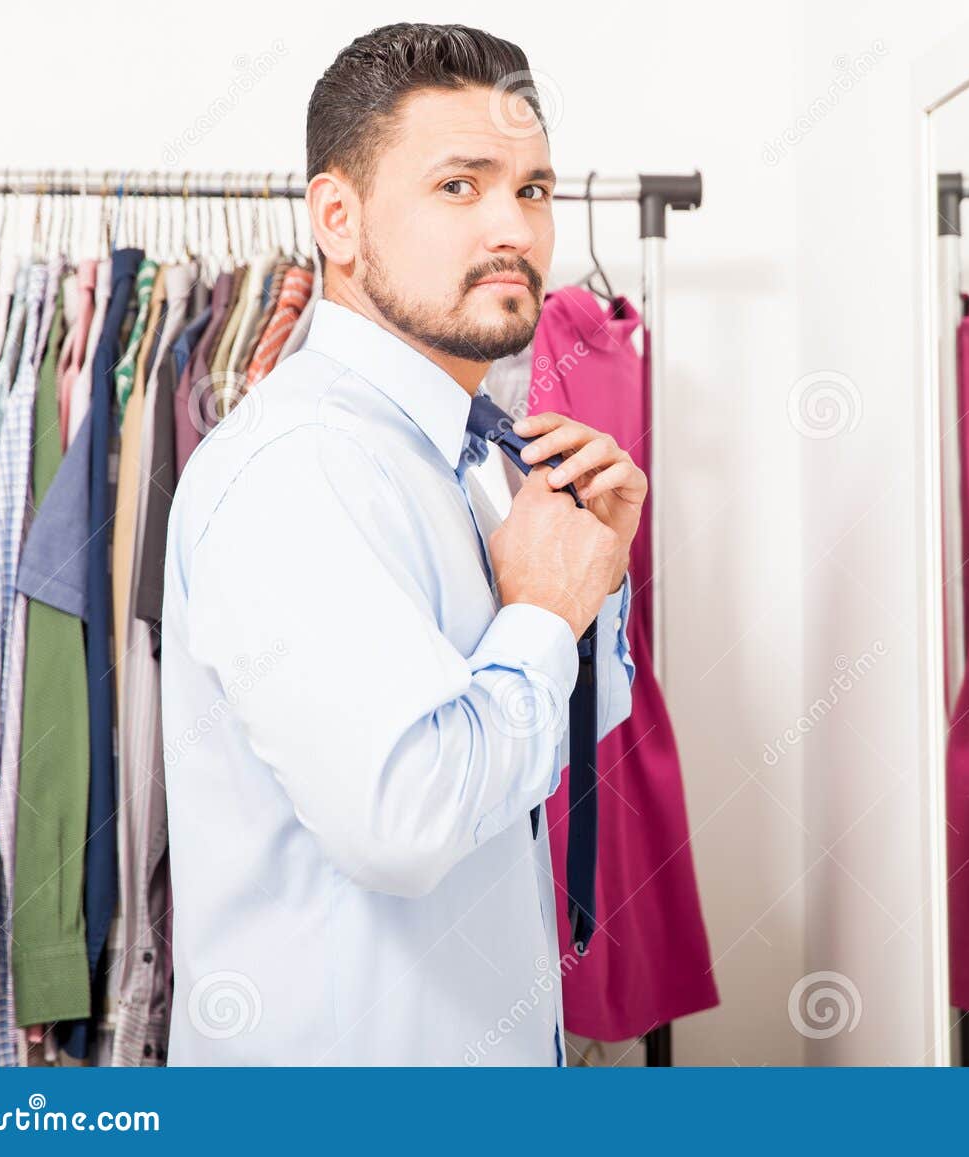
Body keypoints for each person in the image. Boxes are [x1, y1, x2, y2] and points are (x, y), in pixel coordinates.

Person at [160, 22, 643, 1065]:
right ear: (337, 217)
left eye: (534, 189)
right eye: (460, 187)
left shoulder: (477, 457)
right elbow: (407, 818)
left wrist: (595, 580)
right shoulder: (299, 469)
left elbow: (539, 746)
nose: (512, 226)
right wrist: (543, 614)